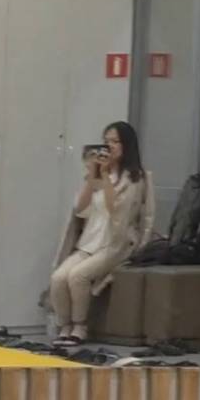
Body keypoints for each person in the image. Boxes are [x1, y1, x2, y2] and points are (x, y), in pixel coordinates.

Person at [45, 120, 158, 344]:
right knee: (58, 277)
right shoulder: (95, 175)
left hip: (116, 243)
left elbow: (116, 209)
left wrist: (105, 177)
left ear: (127, 145)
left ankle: (80, 326)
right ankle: (64, 325)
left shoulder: (136, 178)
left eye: (115, 142)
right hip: (91, 241)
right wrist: (92, 176)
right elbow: (80, 209)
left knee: (78, 276)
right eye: (106, 141)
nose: (109, 147)